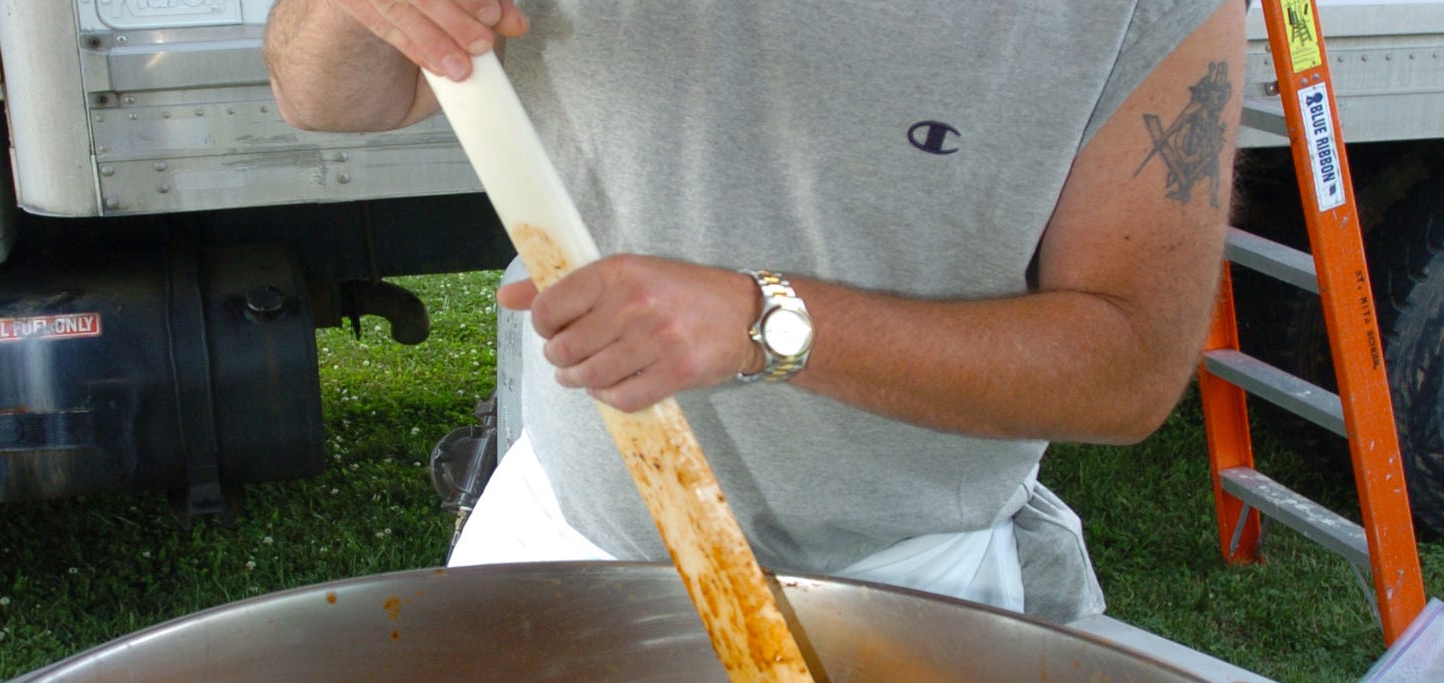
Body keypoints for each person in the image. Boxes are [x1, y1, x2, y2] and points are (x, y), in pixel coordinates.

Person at [264, 0, 1245, 622]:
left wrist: (762, 323)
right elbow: (324, 92)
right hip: (569, 538)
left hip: (920, 586)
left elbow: (1127, 367)